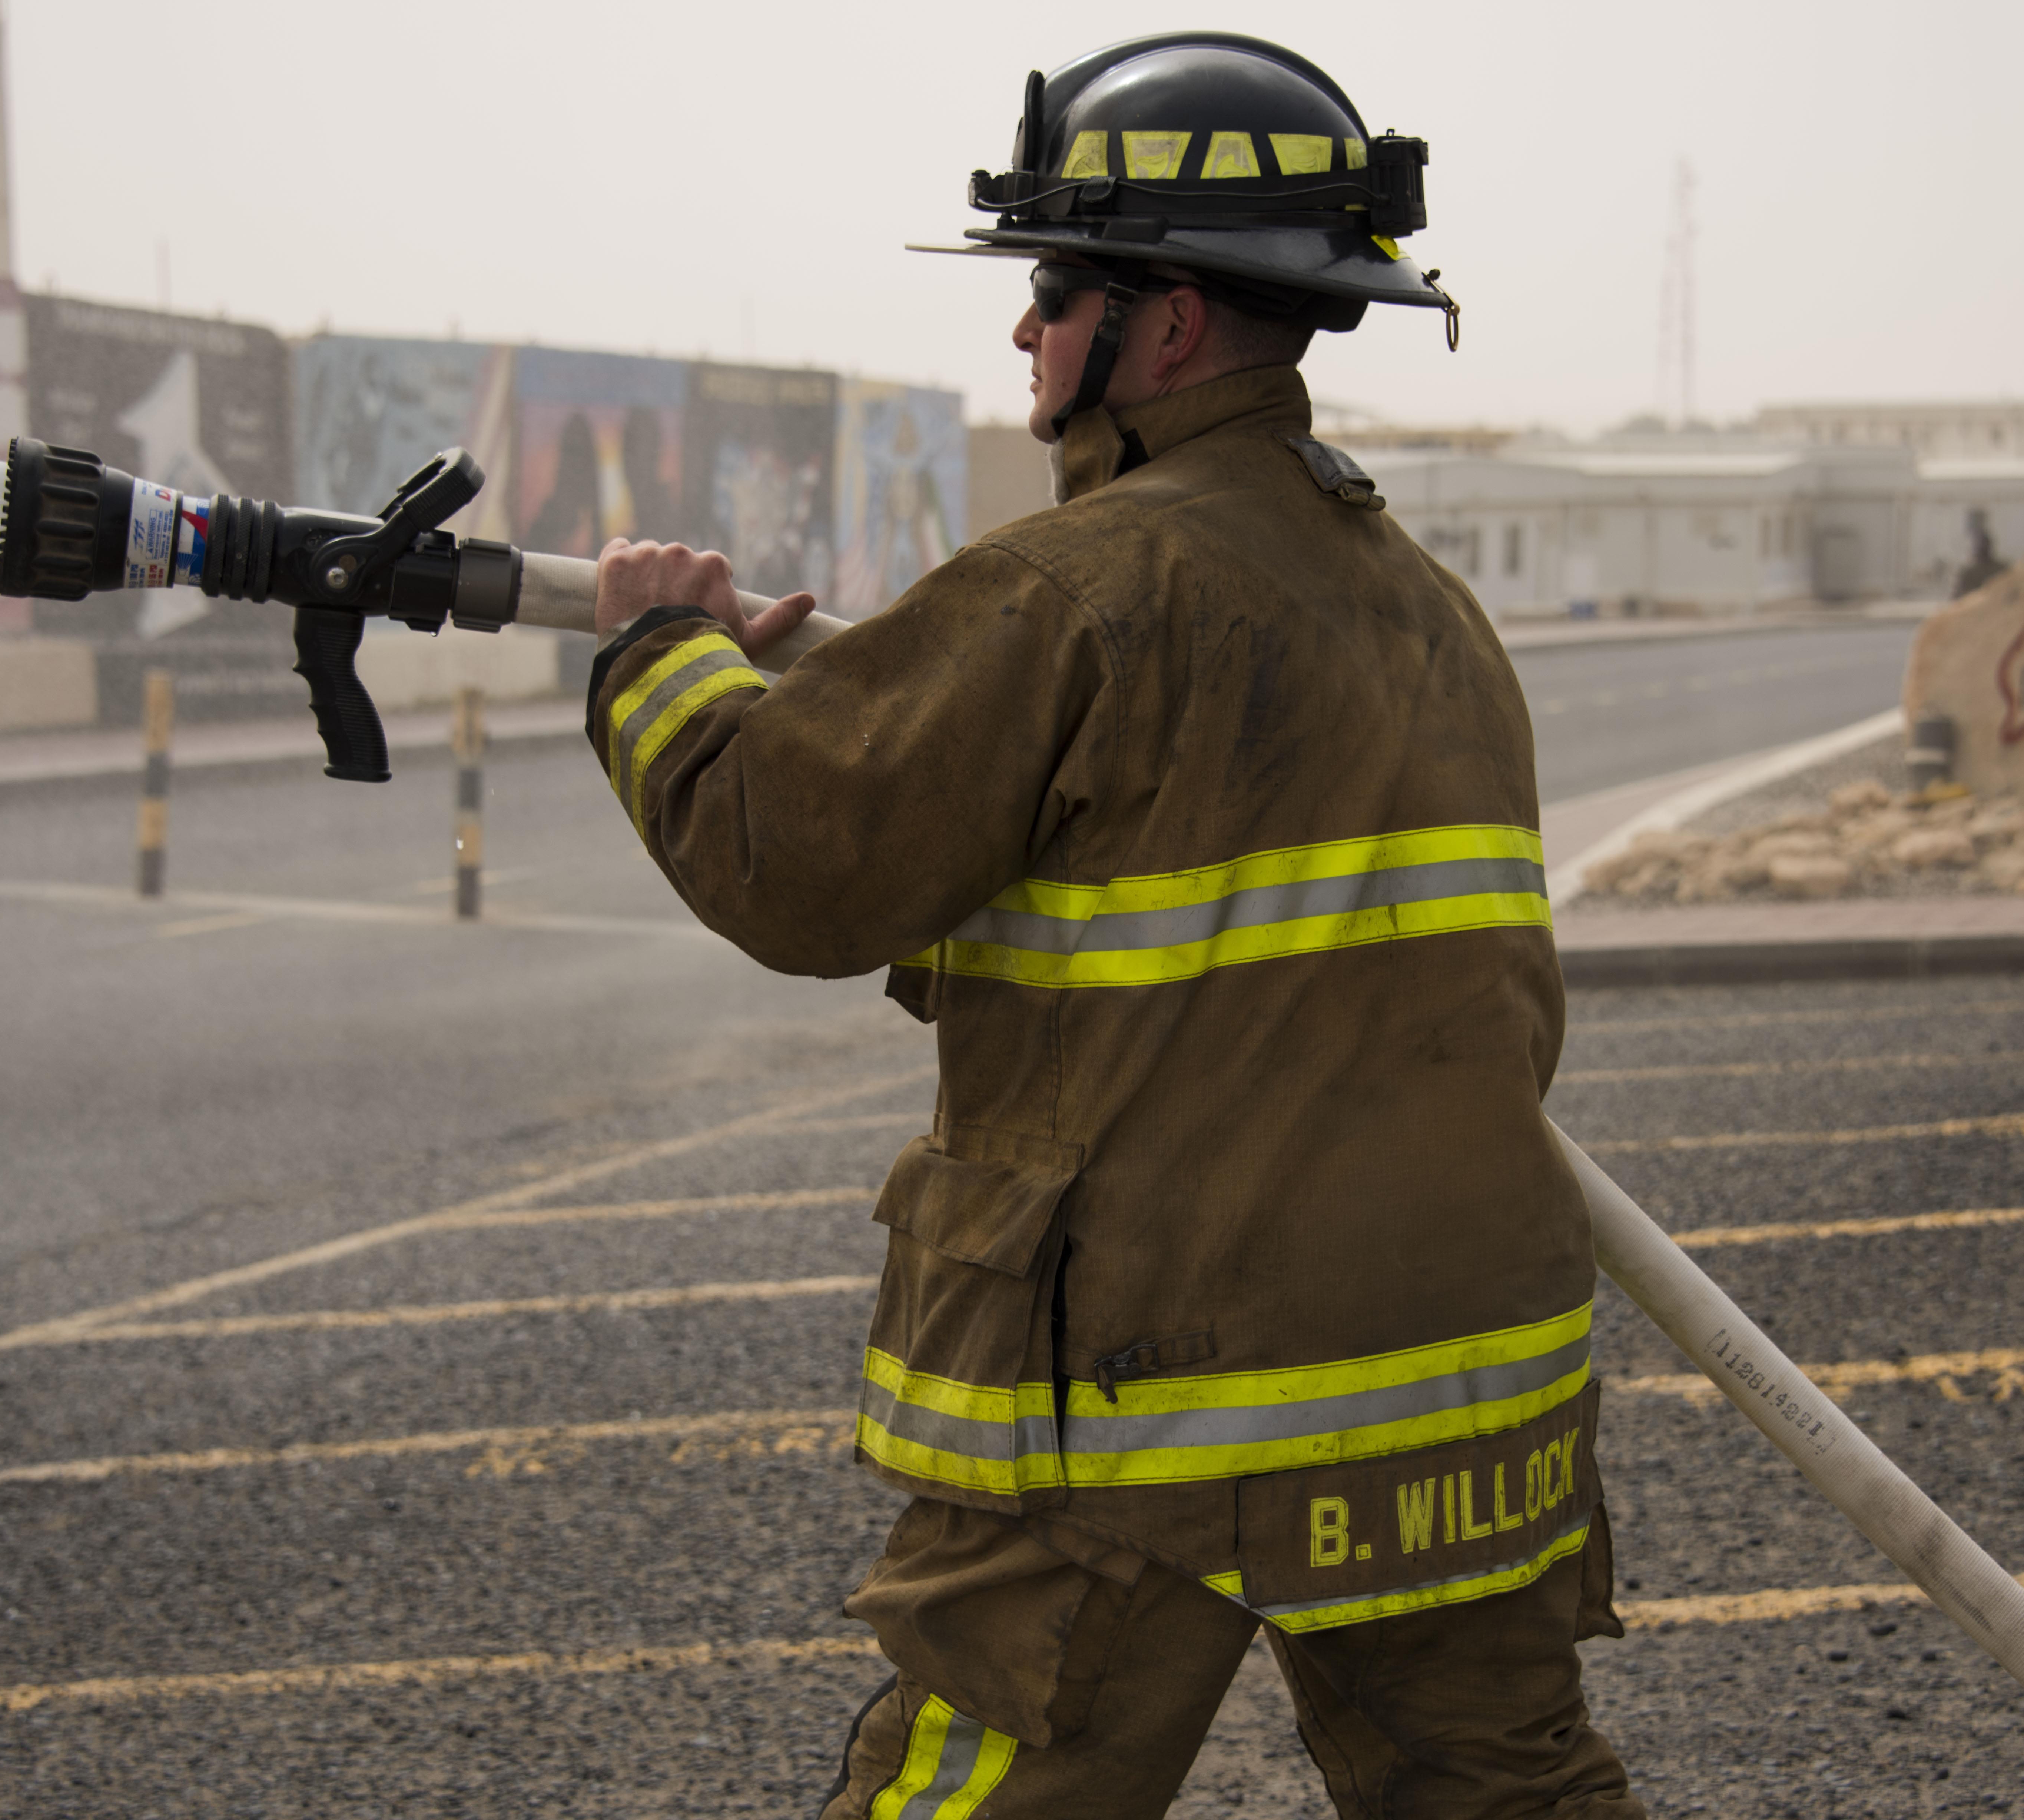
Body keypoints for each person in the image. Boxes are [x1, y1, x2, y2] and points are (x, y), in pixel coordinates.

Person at [585, 33, 1640, 1820]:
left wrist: (659, 659)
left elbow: (791, 860)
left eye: (1056, 289)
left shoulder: (1074, 589)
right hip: (1457, 1388)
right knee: (1502, 1794)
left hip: (1159, 1385)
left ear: (1164, 326)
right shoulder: (1428, 607)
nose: (1023, 329)